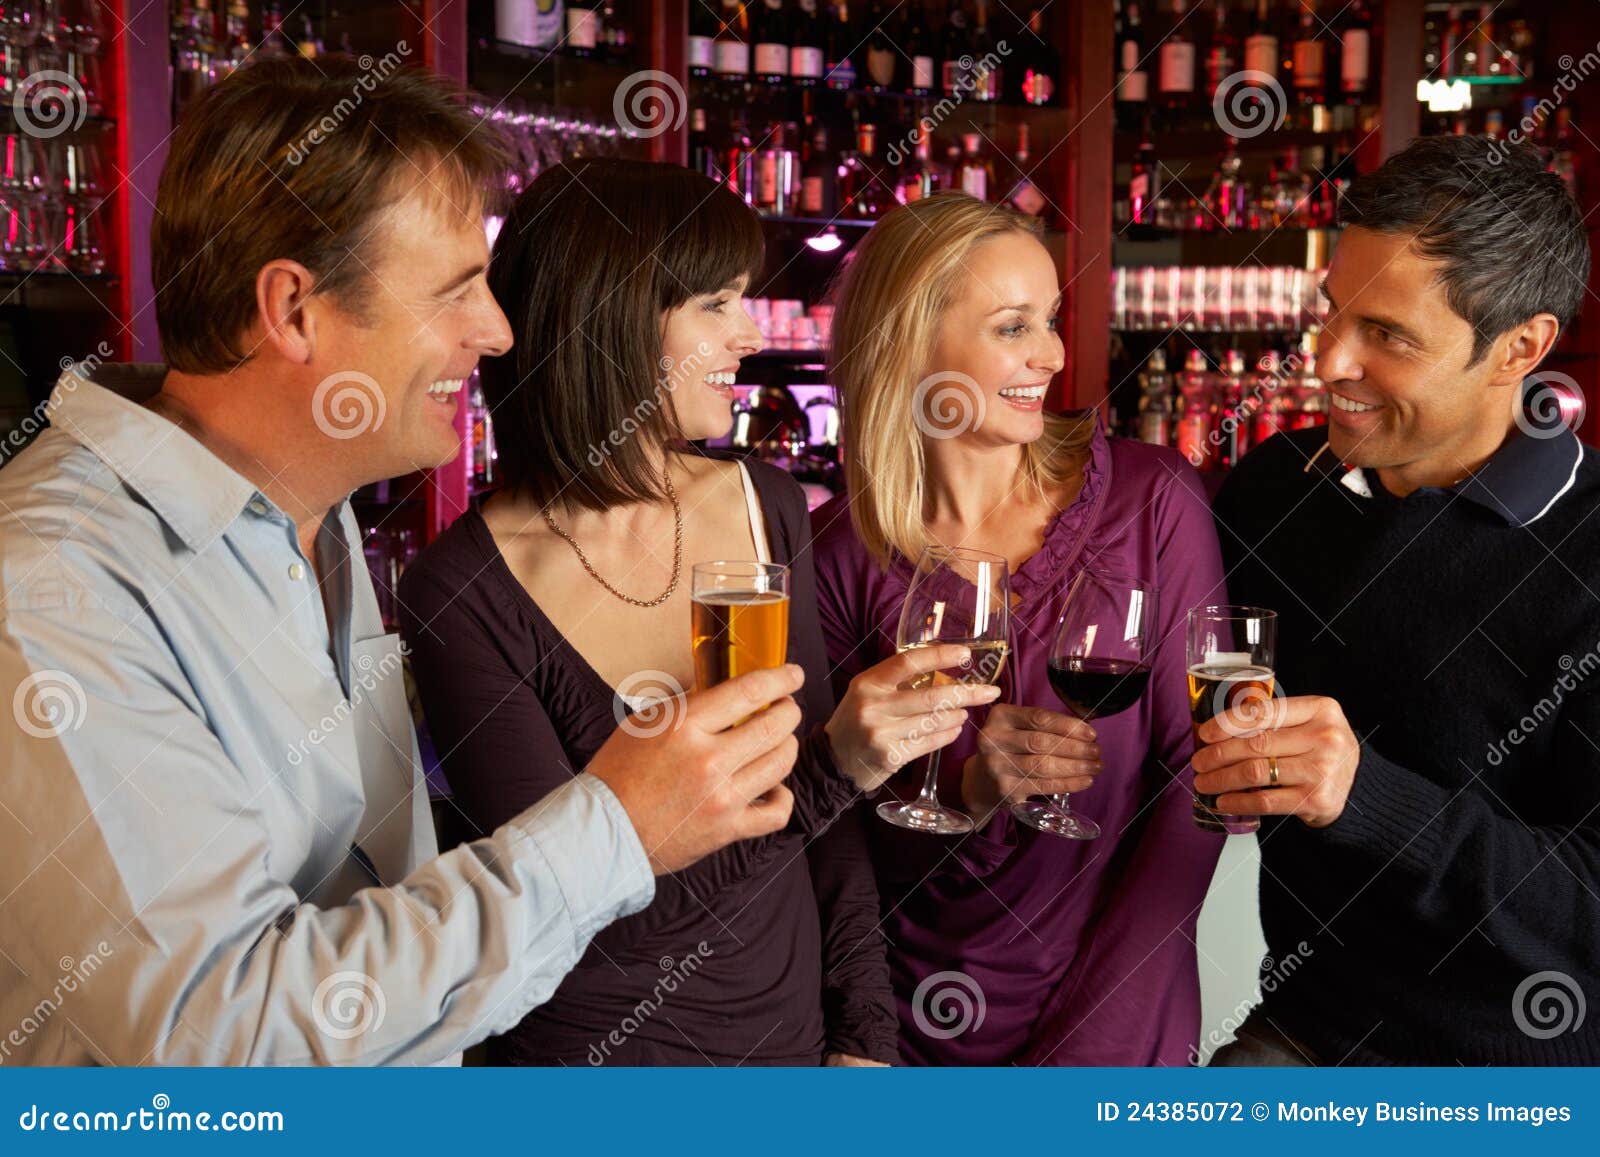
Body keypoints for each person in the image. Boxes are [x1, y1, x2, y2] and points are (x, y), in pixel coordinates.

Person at [0, 58, 809, 1066]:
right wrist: (617, 827)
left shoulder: (307, 511)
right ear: (295, 311)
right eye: (455, 290)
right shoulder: (52, 583)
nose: (500, 330)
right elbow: (218, 1032)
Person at [398, 160, 1001, 1066]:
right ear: (611, 318)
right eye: (715, 305)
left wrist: (867, 1034)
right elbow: (571, 910)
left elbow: (825, 848)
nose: (751, 333)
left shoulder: (766, 502)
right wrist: (838, 761)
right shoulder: (462, 591)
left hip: (794, 1046)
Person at [1206, 135, 1600, 1064]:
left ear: (1521, 348)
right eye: (1332, 311)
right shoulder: (1276, 488)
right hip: (1305, 1032)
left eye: (1387, 335)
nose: (1328, 360)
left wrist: (1367, 797)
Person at [811, 191, 1227, 1065]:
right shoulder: (836, 553)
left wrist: (1098, 1043)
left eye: (1049, 319)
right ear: (908, 341)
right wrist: (967, 792)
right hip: (903, 1027)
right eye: (1012, 327)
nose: (1051, 352)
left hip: (1116, 1012)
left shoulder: (1150, 499)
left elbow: (1202, 780)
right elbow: (839, 842)